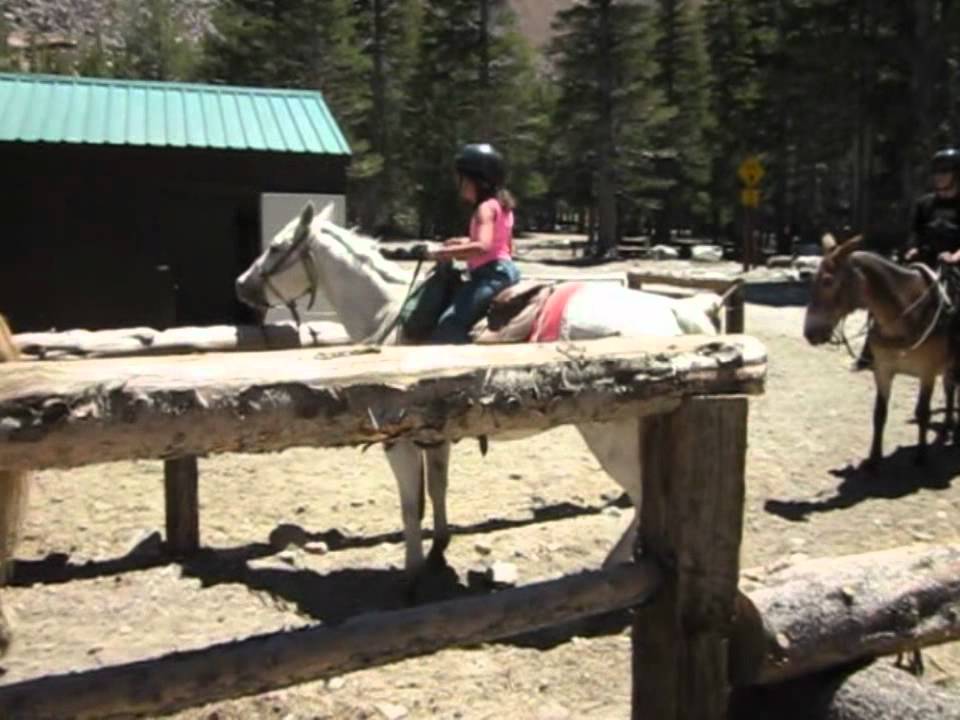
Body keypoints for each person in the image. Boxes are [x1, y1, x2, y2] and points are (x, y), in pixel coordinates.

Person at [854, 147, 960, 370]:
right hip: (925, 260)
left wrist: (956, 256)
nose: (940, 176)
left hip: (954, 264)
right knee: (884, 293)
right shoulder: (925, 204)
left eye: (945, 171)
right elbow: (914, 232)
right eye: (937, 171)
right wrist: (911, 249)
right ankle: (869, 350)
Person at [429, 143, 521, 344]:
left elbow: (482, 246)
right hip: (506, 270)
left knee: (450, 323)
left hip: (490, 274)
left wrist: (441, 252)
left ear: (476, 181)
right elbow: (503, 244)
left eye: (461, 178)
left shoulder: (484, 209)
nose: (459, 184)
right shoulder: (502, 206)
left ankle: (457, 372)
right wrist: (463, 242)